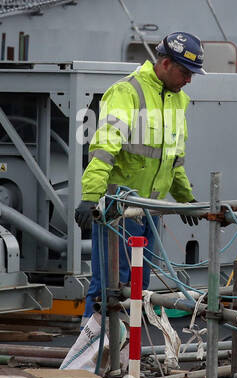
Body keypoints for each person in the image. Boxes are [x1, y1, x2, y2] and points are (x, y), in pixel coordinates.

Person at [74, 31, 204, 321]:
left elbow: (173, 158)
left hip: (150, 213)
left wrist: (185, 199)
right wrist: (91, 196)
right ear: (166, 63)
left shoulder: (178, 100)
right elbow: (104, 148)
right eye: (185, 72)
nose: (189, 80)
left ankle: (124, 358)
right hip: (120, 212)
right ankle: (92, 355)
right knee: (108, 288)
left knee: (138, 288)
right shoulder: (128, 92)